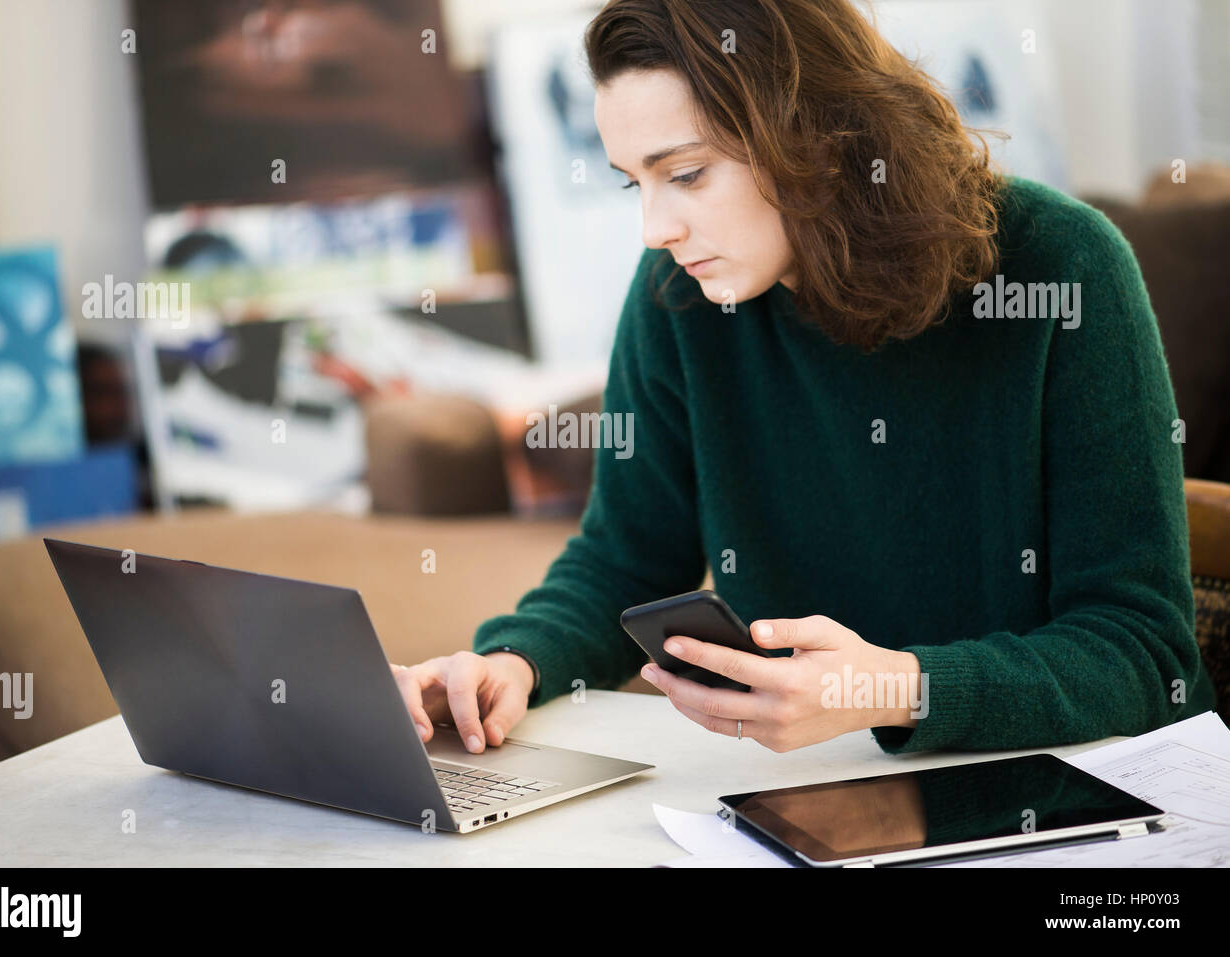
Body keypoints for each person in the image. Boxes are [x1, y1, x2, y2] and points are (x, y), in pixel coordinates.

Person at [390, 0, 1216, 757]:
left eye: (684, 174)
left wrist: (884, 687)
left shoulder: (1064, 266)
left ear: (817, 135)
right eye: (632, 182)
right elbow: (623, 561)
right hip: (824, 794)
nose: (655, 228)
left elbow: (1142, 650)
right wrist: (514, 659)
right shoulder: (681, 298)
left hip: (1089, 797)